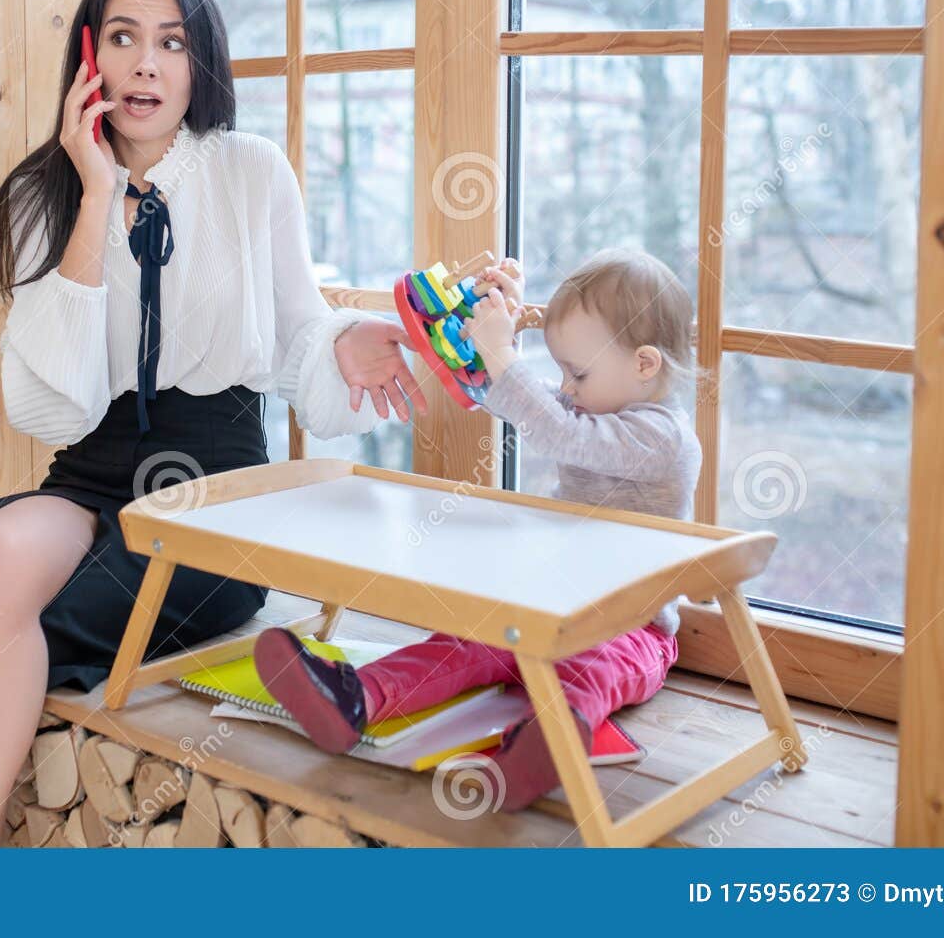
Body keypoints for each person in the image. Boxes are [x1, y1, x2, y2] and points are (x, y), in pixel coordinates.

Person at [0, 0, 428, 846]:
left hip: (215, 494)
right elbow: (52, 410)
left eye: (172, 43)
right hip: (91, 468)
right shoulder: (41, 192)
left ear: (199, 61)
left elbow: (298, 331)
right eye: (123, 38)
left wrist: (343, 342)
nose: (146, 64)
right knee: (1, 550)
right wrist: (96, 196)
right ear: (88, 57)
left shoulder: (251, 171)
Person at [254, 248, 702, 811]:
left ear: (644, 365)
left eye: (579, 373)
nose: (566, 387)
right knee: (463, 645)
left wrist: (503, 357)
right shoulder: (598, 406)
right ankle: (357, 697)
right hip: (553, 611)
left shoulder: (662, 438)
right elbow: (531, 406)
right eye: (564, 372)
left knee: (592, 672)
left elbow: (558, 431)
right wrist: (490, 340)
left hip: (633, 629)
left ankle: (550, 739)